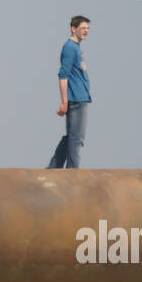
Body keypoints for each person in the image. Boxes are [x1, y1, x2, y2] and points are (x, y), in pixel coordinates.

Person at [49, 16, 91, 168]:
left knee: (72, 137)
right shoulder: (70, 48)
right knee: (76, 139)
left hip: (81, 98)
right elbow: (63, 75)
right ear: (73, 29)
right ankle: (72, 172)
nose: (86, 31)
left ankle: (54, 167)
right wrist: (65, 102)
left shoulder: (76, 48)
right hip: (76, 100)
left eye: (87, 28)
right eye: (83, 28)